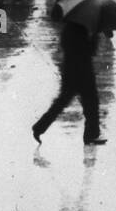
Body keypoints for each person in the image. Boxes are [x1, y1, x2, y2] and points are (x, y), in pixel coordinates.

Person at [33, 17, 105, 146]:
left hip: (70, 69)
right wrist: (95, 35)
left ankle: (40, 127)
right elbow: (90, 50)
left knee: (62, 102)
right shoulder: (82, 29)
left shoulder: (70, 28)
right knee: (91, 102)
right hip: (83, 70)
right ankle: (91, 135)